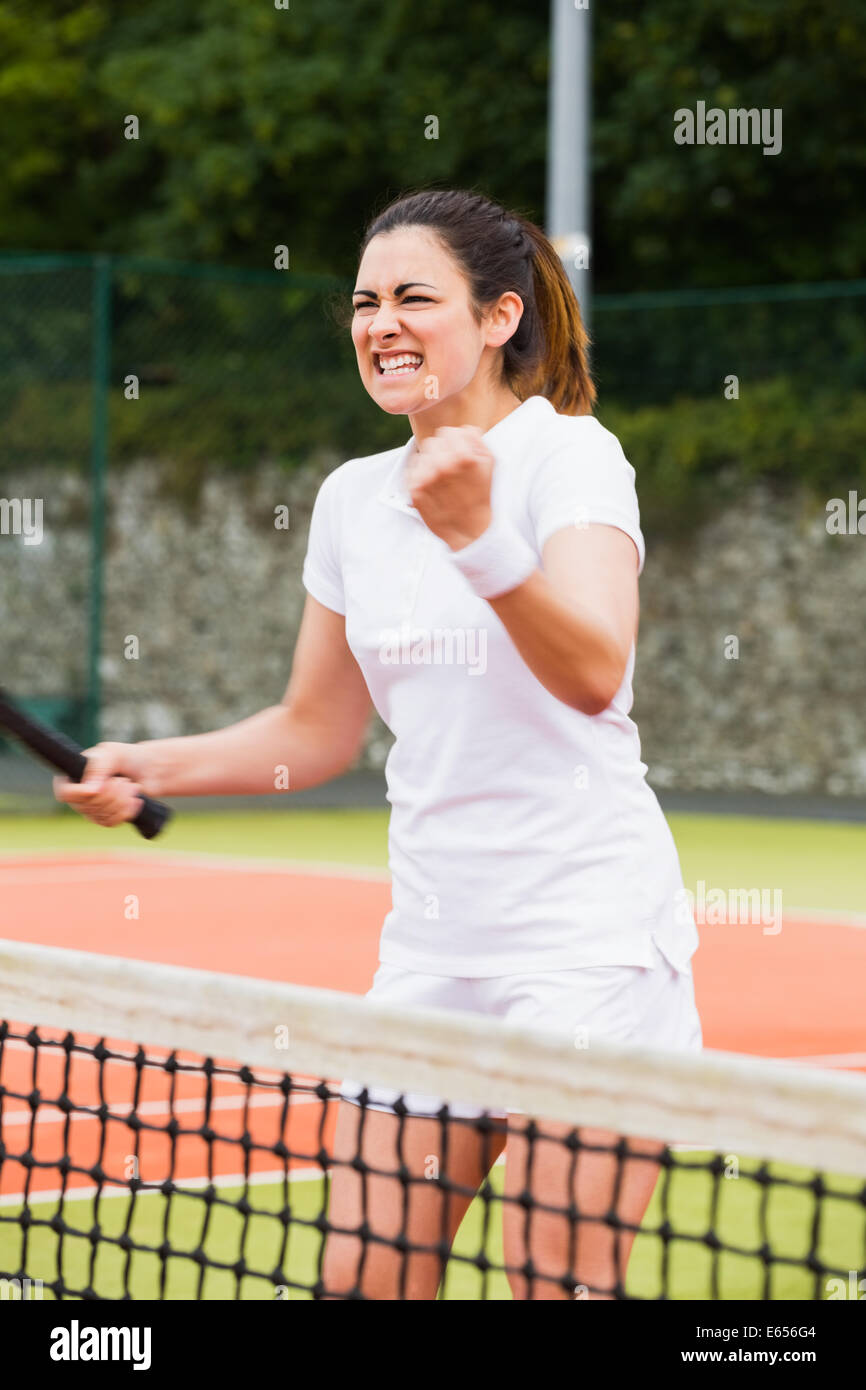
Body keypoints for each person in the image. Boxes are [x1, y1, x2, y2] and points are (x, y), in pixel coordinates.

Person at [55, 187, 702, 1301]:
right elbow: (312, 730)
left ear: (498, 317)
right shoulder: (353, 498)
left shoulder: (571, 459)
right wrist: (143, 765)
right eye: (363, 302)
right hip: (431, 955)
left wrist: (478, 540)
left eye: (414, 296)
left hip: (587, 948)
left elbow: (593, 669)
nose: (380, 323)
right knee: (362, 1282)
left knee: (554, 1283)